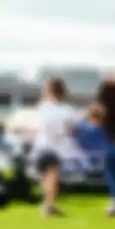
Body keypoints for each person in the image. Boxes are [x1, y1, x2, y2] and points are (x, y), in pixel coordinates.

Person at [30, 77, 80, 217]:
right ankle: (49, 205)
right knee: (53, 176)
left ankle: (48, 204)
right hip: (57, 147)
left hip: (41, 146)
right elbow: (71, 129)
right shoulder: (67, 110)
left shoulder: (41, 108)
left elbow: (35, 127)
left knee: (47, 177)